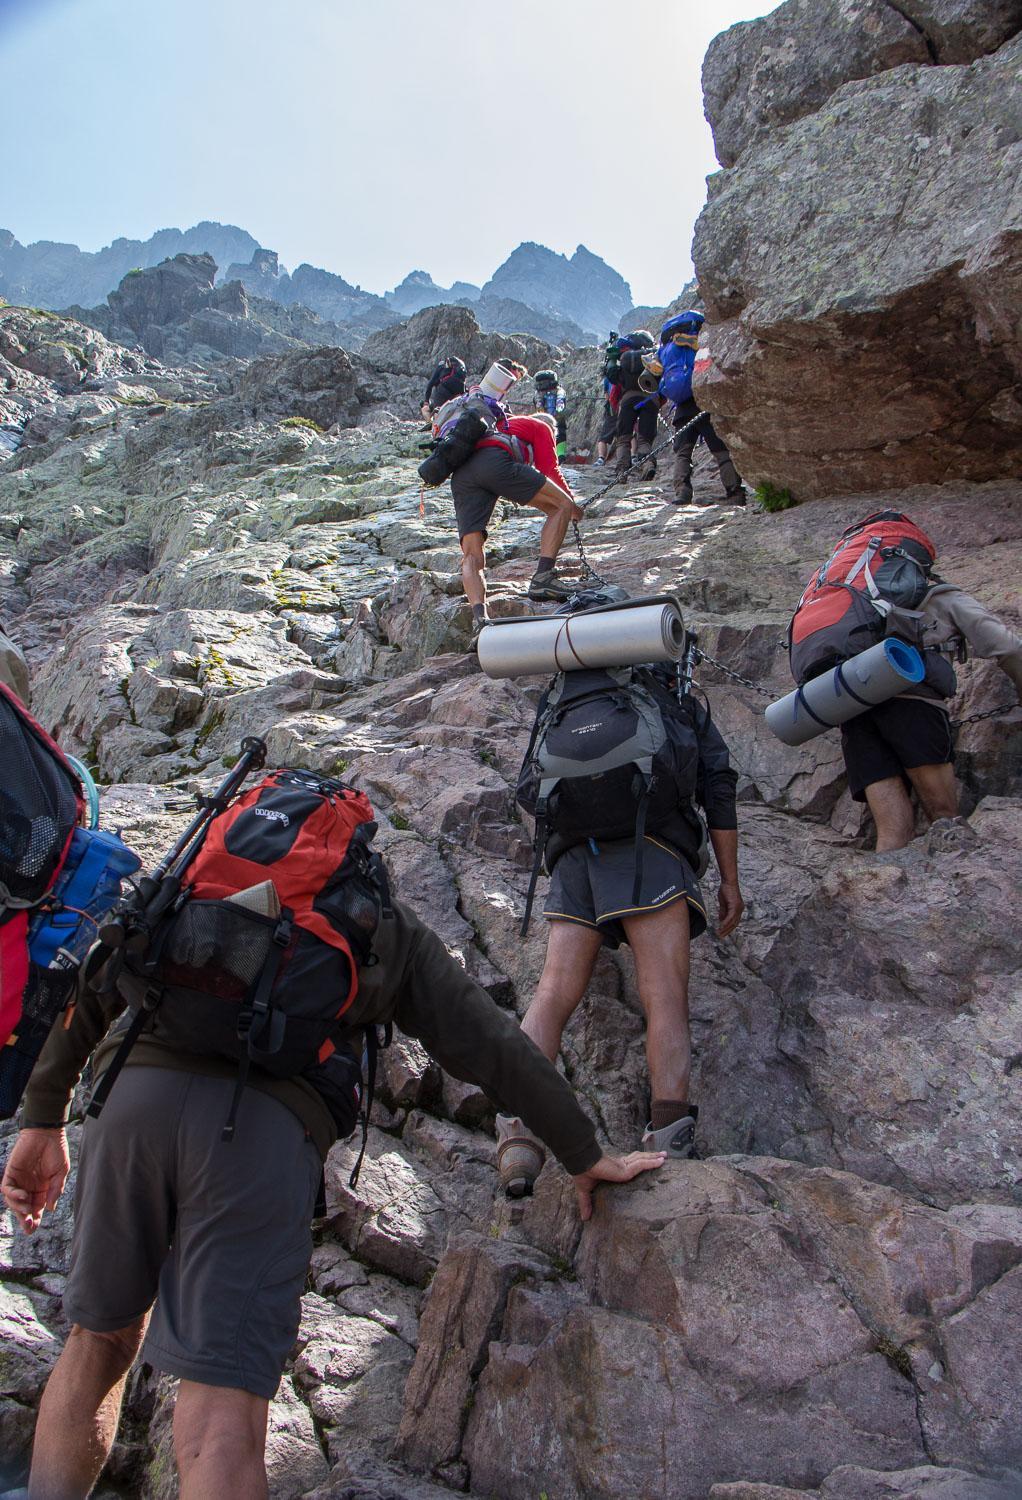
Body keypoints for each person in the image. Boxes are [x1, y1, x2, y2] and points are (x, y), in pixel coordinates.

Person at [2, 894, 663, 1499]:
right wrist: (583, 1151)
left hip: (129, 1105)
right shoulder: (376, 917)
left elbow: (98, 963)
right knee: (219, 1416)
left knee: (97, 1341)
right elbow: (490, 1044)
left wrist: (42, 1116)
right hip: (256, 1136)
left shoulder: (203, 859)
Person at [496, 679, 744, 1193]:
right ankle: (669, 1146)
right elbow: (717, 782)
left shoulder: (566, 694)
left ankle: (517, 1137)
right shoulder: (669, 693)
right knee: (665, 999)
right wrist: (730, 879)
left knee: (553, 992)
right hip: (650, 847)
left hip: (572, 857)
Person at [840, 579, 1022, 851]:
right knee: (946, 819)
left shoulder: (852, 599)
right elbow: (1008, 648)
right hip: (914, 704)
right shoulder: (941, 596)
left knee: (892, 834)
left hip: (853, 708)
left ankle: (885, 889)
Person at [450, 409, 584, 636]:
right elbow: (550, 470)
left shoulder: (499, 426)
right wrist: (571, 505)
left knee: (472, 555)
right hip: (495, 464)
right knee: (560, 506)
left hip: (462, 476)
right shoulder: (541, 427)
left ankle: (480, 620)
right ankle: (543, 577)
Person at [659, 311, 747, 507]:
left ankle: (682, 492)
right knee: (720, 450)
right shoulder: (699, 346)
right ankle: (734, 492)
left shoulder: (670, 353)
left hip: (682, 409)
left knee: (683, 452)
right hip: (704, 404)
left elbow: (661, 386)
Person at [610, 331, 659, 480]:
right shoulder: (653, 358)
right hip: (651, 400)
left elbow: (613, 382)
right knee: (644, 438)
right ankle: (648, 464)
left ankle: (621, 471)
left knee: (623, 438)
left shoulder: (624, 360)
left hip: (627, 400)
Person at [594, 331, 621, 467]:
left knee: (604, 434)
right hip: (627, 404)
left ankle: (600, 458)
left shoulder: (608, 376)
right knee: (630, 433)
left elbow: (606, 393)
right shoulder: (624, 369)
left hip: (612, 406)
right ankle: (633, 456)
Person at [533, 370, 567, 461]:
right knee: (561, 433)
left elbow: (538, 404)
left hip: (543, 418)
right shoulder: (559, 390)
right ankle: (560, 454)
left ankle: (548, 455)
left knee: (544, 435)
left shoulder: (538, 393)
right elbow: (561, 403)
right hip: (558, 417)